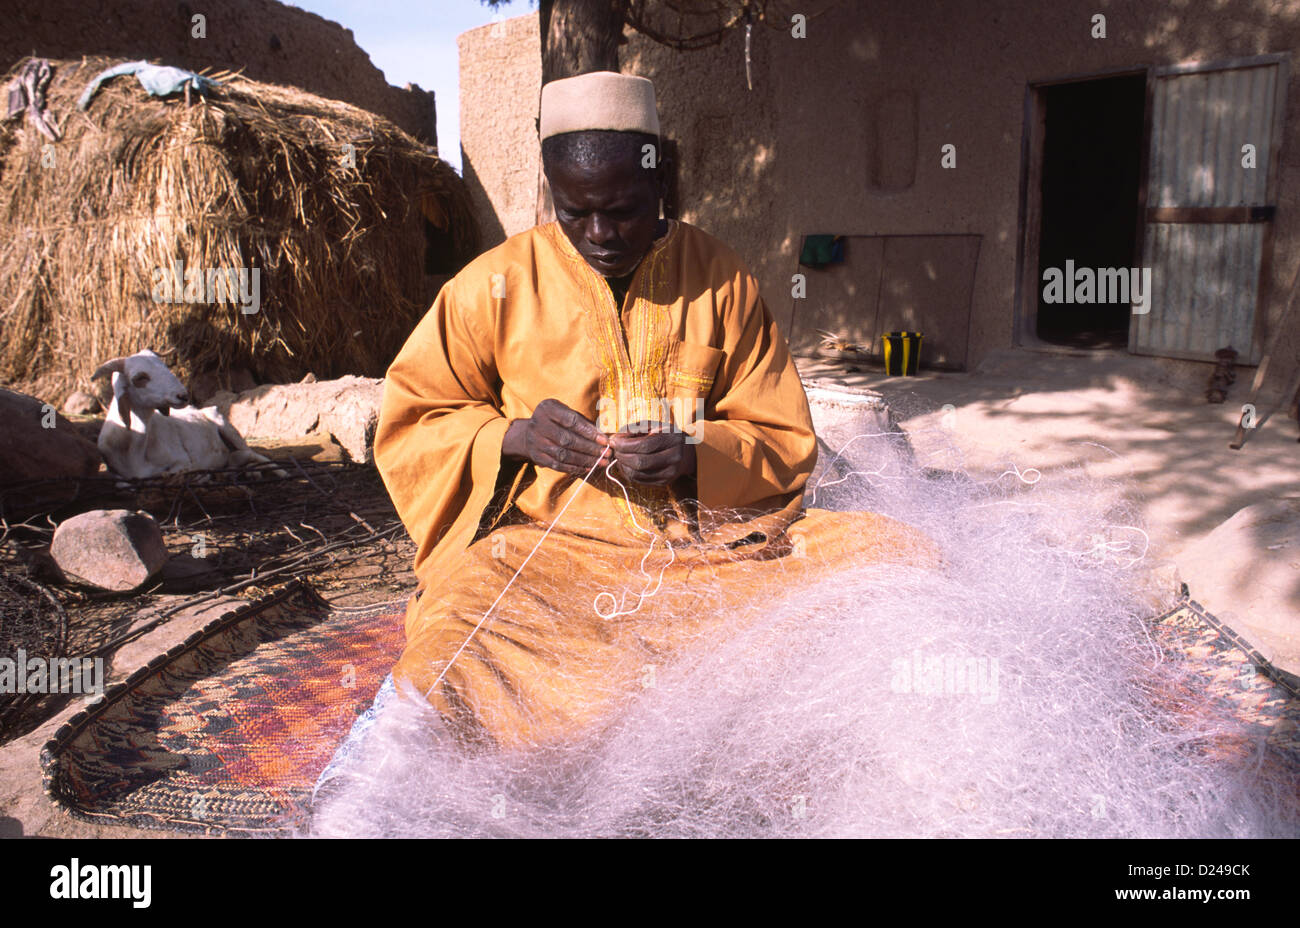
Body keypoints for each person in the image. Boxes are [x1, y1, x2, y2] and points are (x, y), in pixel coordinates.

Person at [374, 71, 938, 750]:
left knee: (904, 560)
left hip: (717, 549)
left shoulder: (722, 277)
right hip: (548, 554)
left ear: (660, 177)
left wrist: (694, 452)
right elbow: (413, 420)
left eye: (623, 209)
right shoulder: (488, 286)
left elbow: (782, 434)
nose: (600, 233)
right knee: (451, 659)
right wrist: (514, 436)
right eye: (574, 211)